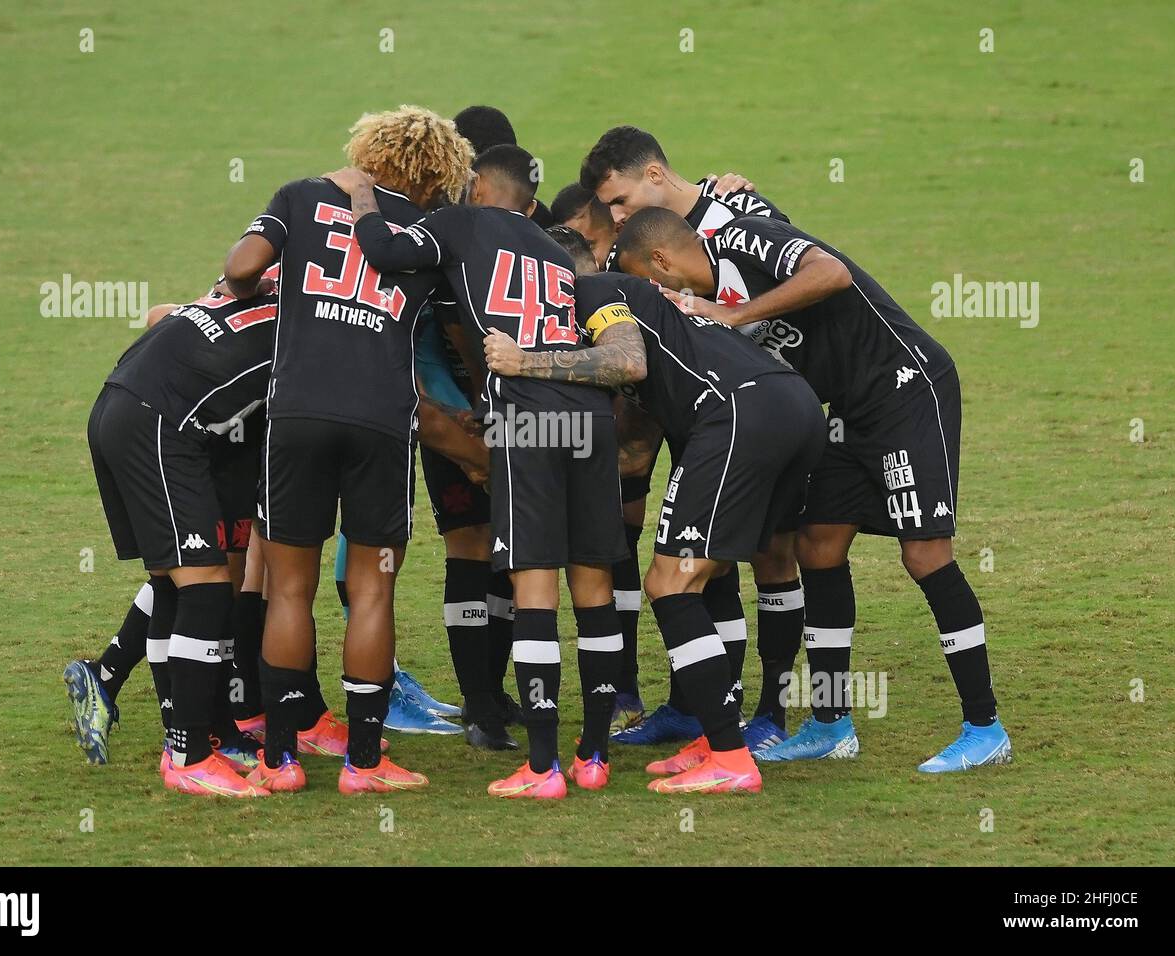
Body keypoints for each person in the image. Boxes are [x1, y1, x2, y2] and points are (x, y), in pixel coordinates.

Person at [613, 206, 1012, 772]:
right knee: (818, 545)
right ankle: (830, 722)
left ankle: (984, 726)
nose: (656, 293)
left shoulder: (737, 242)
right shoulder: (693, 312)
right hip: (844, 410)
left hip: (906, 388)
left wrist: (735, 315)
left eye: (652, 279)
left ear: (661, 259)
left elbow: (832, 273)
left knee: (925, 556)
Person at [330, 144, 629, 798]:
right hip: (590, 418)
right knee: (594, 585)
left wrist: (360, 191)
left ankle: (543, 767)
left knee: (535, 592)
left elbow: (381, 249)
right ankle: (595, 756)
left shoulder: (458, 223)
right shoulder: (554, 249)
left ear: (475, 193)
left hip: (524, 418)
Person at [484, 227, 825, 792]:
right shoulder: (637, 305)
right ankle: (714, 734)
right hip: (792, 406)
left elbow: (628, 364)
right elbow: (636, 445)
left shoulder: (591, 292)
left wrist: (524, 363)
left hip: (740, 413)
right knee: (707, 575)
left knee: (670, 584)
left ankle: (730, 757)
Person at [221, 106, 478, 794]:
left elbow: (239, 267)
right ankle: (364, 763)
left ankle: (279, 761)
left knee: (288, 589)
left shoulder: (302, 195)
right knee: (373, 590)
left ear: (370, 149)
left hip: (297, 412)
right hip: (382, 422)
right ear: (438, 171)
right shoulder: (433, 231)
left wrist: (273, 289)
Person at [579, 126, 802, 753]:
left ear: (653, 175)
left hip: (756, 407)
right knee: (710, 567)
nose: (617, 220)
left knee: (745, 564)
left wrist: (734, 318)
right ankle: (701, 714)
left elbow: (812, 267)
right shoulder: (645, 259)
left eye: (620, 204)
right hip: (725, 413)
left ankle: (759, 725)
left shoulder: (737, 215)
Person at [83, 272, 281, 796]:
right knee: (208, 585)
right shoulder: (310, 316)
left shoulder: (257, 281)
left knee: (177, 583)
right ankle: (190, 754)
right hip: (159, 425)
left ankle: (194, 736)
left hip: (123, 405)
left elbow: (159, 316)